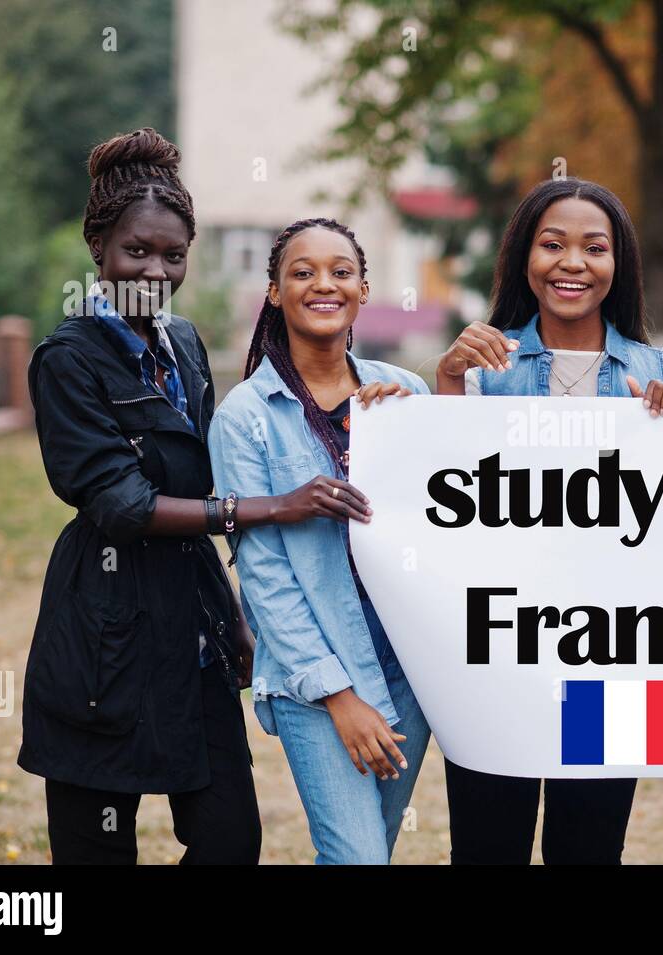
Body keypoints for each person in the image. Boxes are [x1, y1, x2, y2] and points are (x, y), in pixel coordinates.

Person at [21, 128, 322, 864]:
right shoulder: (68, 359)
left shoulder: (183, 344)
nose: (155, 270)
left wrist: (236, 621)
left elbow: (201, 473)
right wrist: (270, 507)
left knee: (230, 840)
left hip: (193, 628)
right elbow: (119, 504)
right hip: (104, 631)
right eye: (137, 251)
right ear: (99, 246)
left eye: (174, 255)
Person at [434, 178, 663, 863]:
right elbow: (446, 506)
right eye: (553, 244)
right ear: (524, 257)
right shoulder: (485, 369)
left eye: (594, 247)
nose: (572, 262)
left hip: (617, 651)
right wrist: (450, 386)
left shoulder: (658, 372)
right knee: (489, 846)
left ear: (619, 265)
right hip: (499, 649)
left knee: (592, 847)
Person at [208, 218, 431, 864]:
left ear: (364, 287)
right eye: (302, 272)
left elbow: (440, 522)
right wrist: (340, 697)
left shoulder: (402, 391)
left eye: (340, 270)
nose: (322, 283)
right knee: (357, 859)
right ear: (274, 292)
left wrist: (412, 429)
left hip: (405, 666)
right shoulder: (246, 417)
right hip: (315, 675)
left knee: (370, 854)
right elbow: (265, 577)